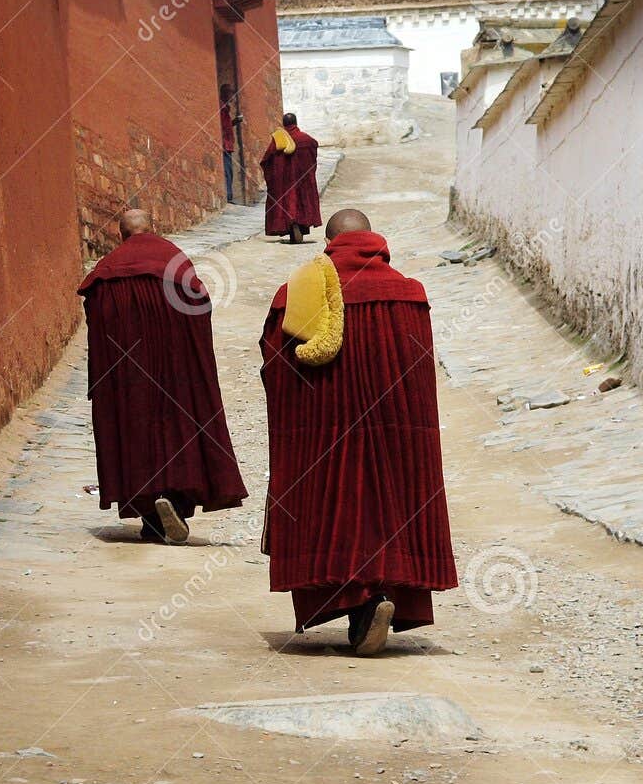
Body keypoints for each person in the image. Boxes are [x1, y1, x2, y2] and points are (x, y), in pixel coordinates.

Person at [259, 208, 457, 655]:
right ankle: (382, 594)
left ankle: (359, 602)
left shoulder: (297, 293)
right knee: (389, 501)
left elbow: (276, 367)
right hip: (395, 429)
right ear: (374, 239)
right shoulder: (409, 294)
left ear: (328, 244)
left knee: (337, 502)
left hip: (324, 430)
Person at [78, 209, 248, 543]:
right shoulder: (171, 257)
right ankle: (173, 501)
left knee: (133, 428)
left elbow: (95, 322)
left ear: (123, 235)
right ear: (151, 229)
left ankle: (151, 517)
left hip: (126, 371)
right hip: (175, 363)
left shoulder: (106, 271)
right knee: (178, 424)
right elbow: (198, 303)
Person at [259, 112, 322, 244]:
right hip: (302, 182)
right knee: (301, 203)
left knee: (287, 203)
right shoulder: (306, 140)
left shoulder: (278, 141)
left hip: (284, 184)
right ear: (296, 123)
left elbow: (266, 161)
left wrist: (274, 179)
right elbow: (313, 151)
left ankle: (291, 225)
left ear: (284, 124)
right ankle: (300, 225)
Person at [219, 84, 241, 204]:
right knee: (227, 171)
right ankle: (228, 196)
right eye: (231, 94)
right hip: (224, 144)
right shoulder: (222, 109)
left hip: (227, 143)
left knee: (229, 170)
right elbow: (221, 127)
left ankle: (229, 195)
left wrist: (234, 122)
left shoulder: (225, 108)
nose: (232, 97)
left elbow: (226, 126)